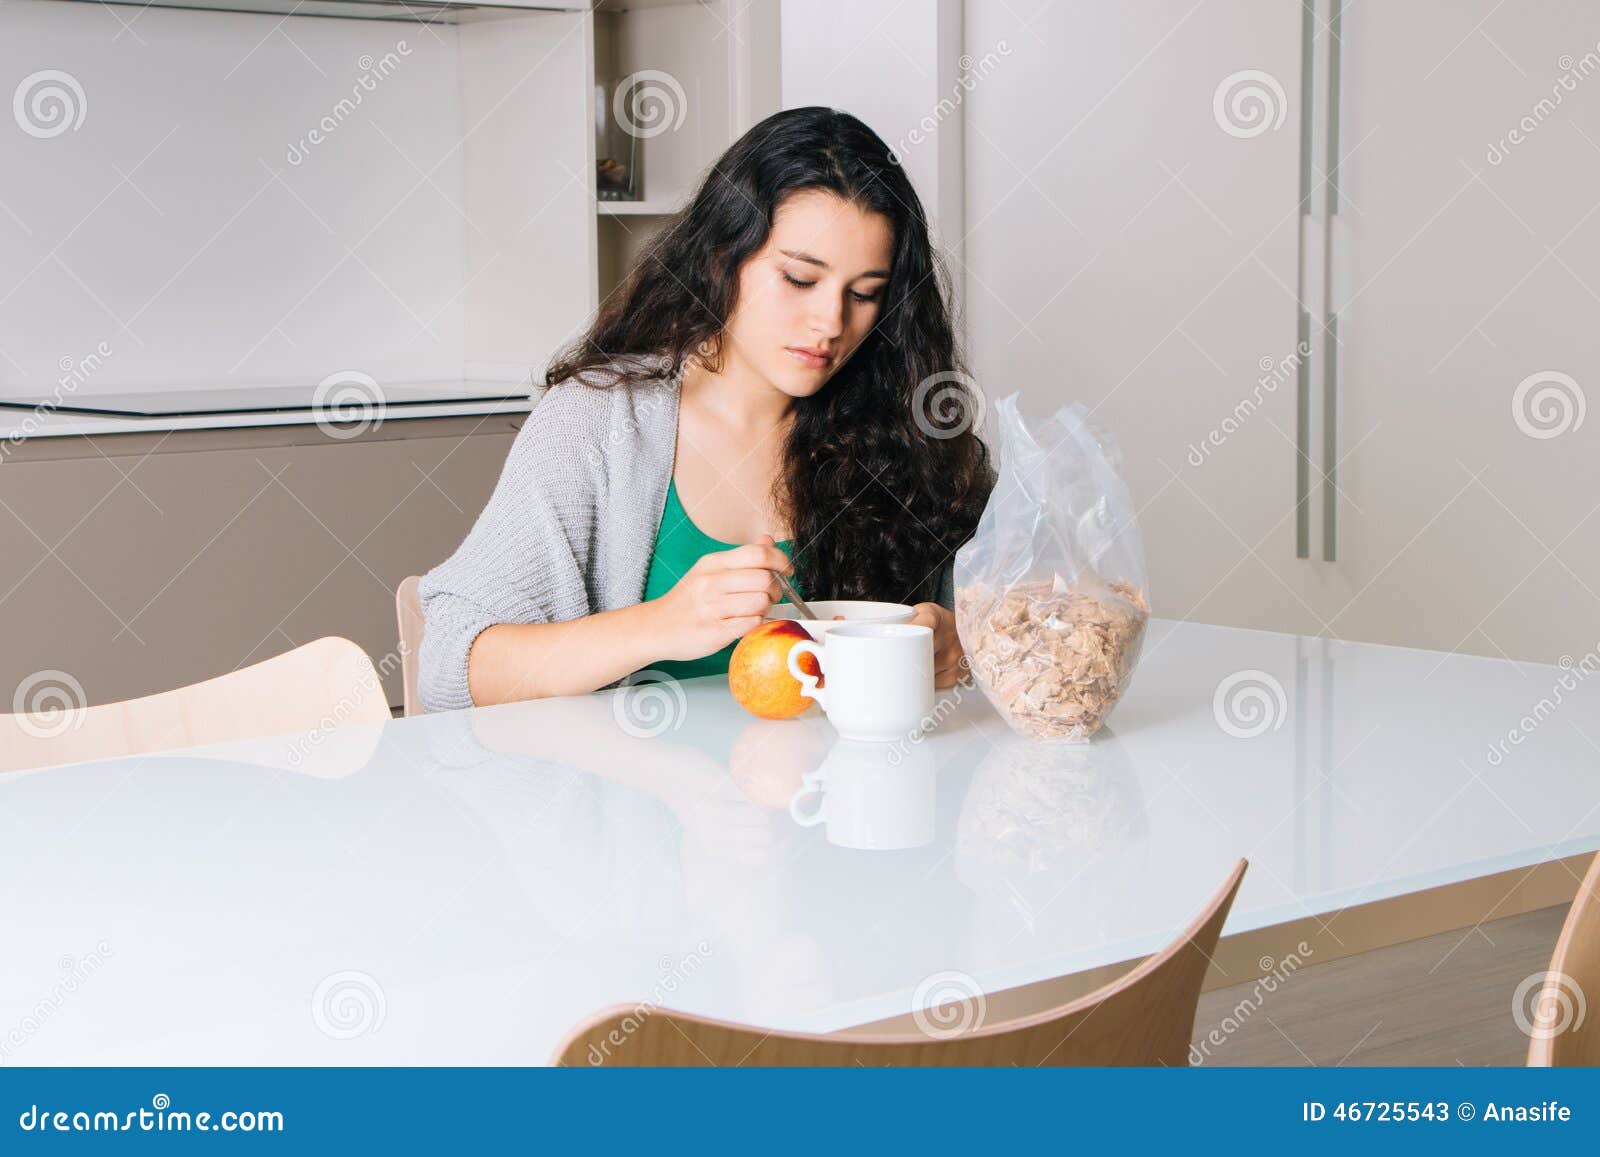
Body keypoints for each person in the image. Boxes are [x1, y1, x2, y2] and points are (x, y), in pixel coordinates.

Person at [417, 106, 993, 713]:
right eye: (799, 279)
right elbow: (452, 668)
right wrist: (660, 624)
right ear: (722, 258)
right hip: (627, 805)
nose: (831, 323)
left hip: (842, 801)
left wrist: (962, 650)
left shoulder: (905, 430)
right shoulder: (599, 423)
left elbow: (1022, 636)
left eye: (864, 294)